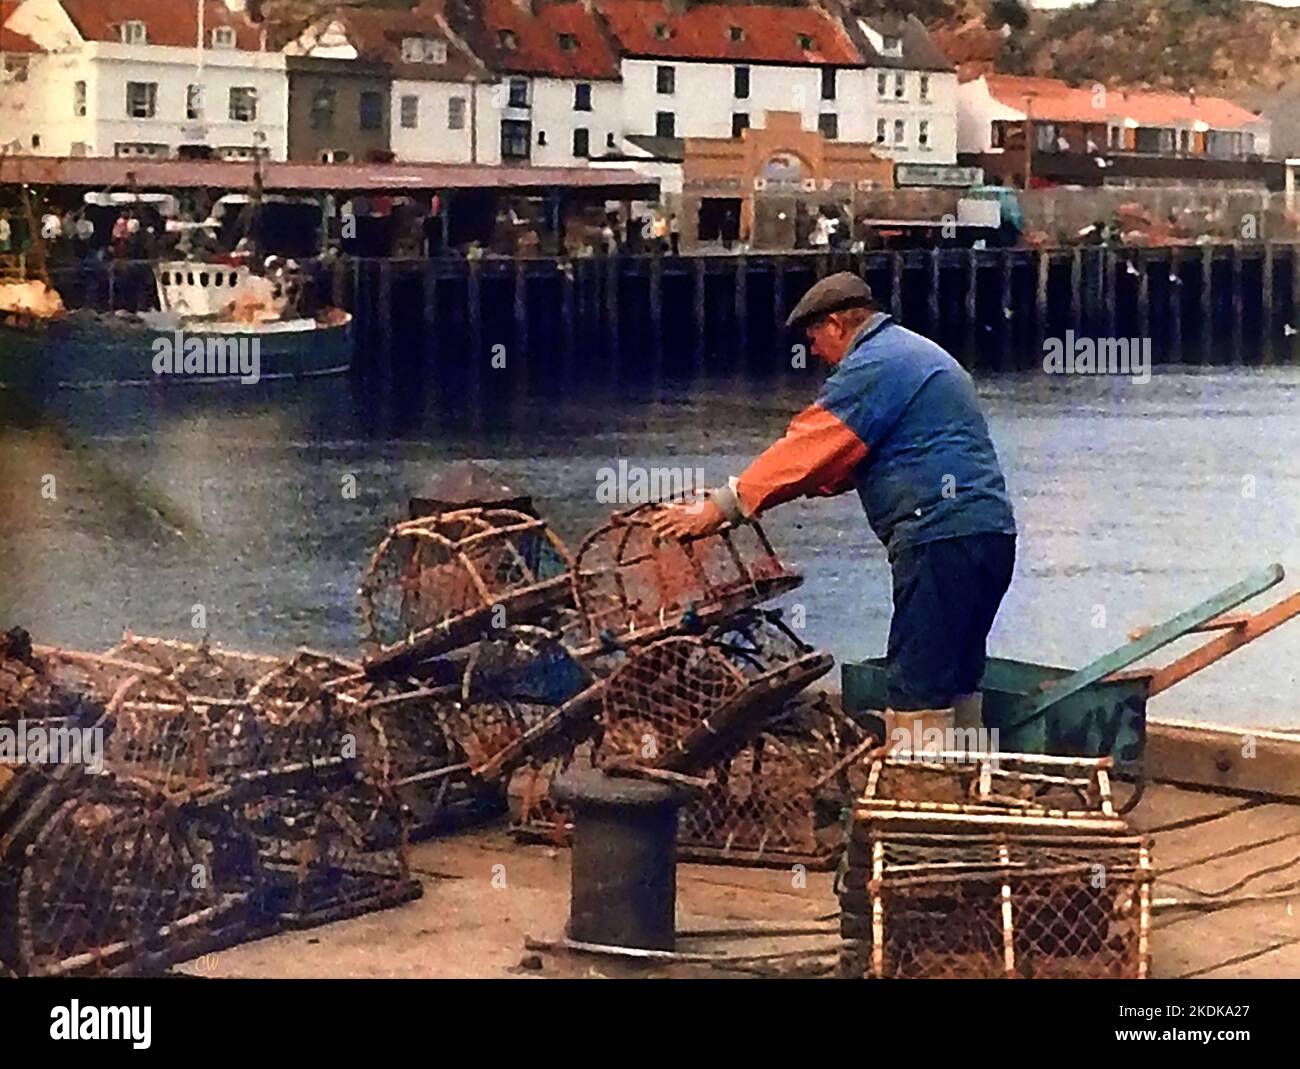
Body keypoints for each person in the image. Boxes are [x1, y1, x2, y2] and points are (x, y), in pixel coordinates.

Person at [651, 272, 1017, 746]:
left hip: (937, 537)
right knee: (958, 670)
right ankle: (966, 785)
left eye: (815, 338)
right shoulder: (915, 353)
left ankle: (918, 794)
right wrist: (775, 491)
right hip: (989, 533)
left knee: (917, 678)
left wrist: (722, 506)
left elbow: (809, 447)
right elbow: (841, 466)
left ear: (838, 325)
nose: (816, 353)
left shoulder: (875, 365)